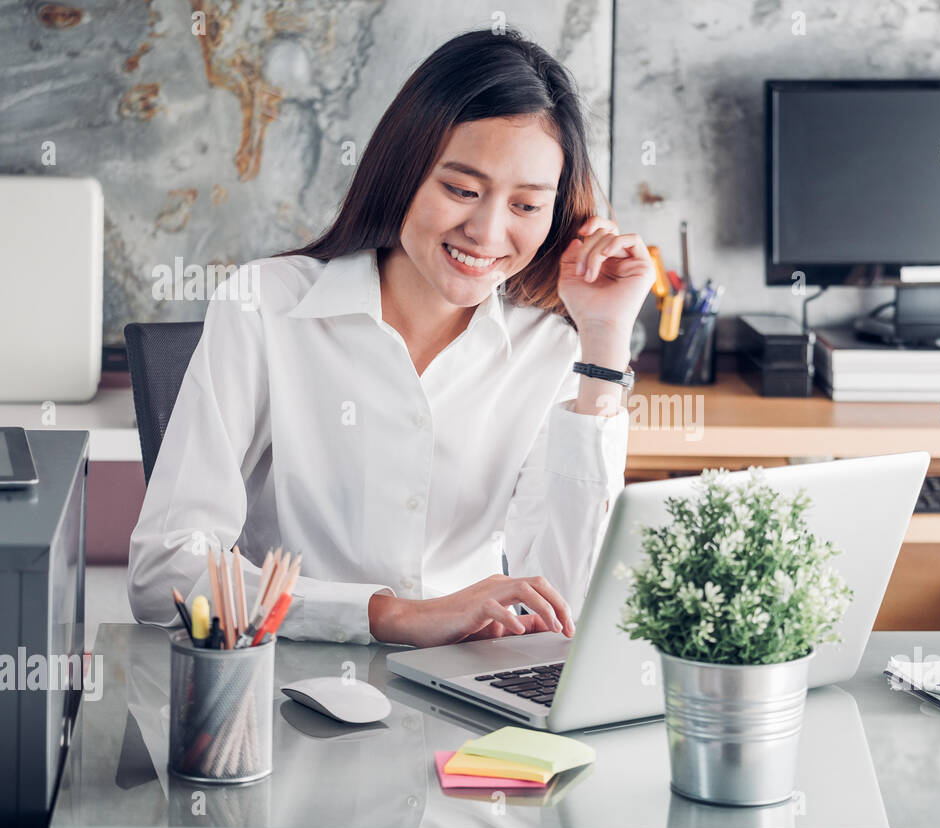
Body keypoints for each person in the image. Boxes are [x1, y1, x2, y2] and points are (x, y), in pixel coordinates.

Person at [127, 27, 655, 647]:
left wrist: (603, 340)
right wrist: (394, 615)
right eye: (461, 190)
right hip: (294, 688)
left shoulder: (551, 346)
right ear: (402, 172)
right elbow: (166, 569)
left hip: (470, 701)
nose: (487, 232)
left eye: (526, 206)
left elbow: (570, 605)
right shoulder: (264, 305)